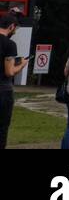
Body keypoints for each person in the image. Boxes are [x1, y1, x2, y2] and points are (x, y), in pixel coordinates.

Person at [1, 13, 28, 150]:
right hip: (3, 90)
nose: (15, 32)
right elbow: (9, 71)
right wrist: (22, 65)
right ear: (11, 26)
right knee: (2, 126)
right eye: (15, 30)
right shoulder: (10, 44)